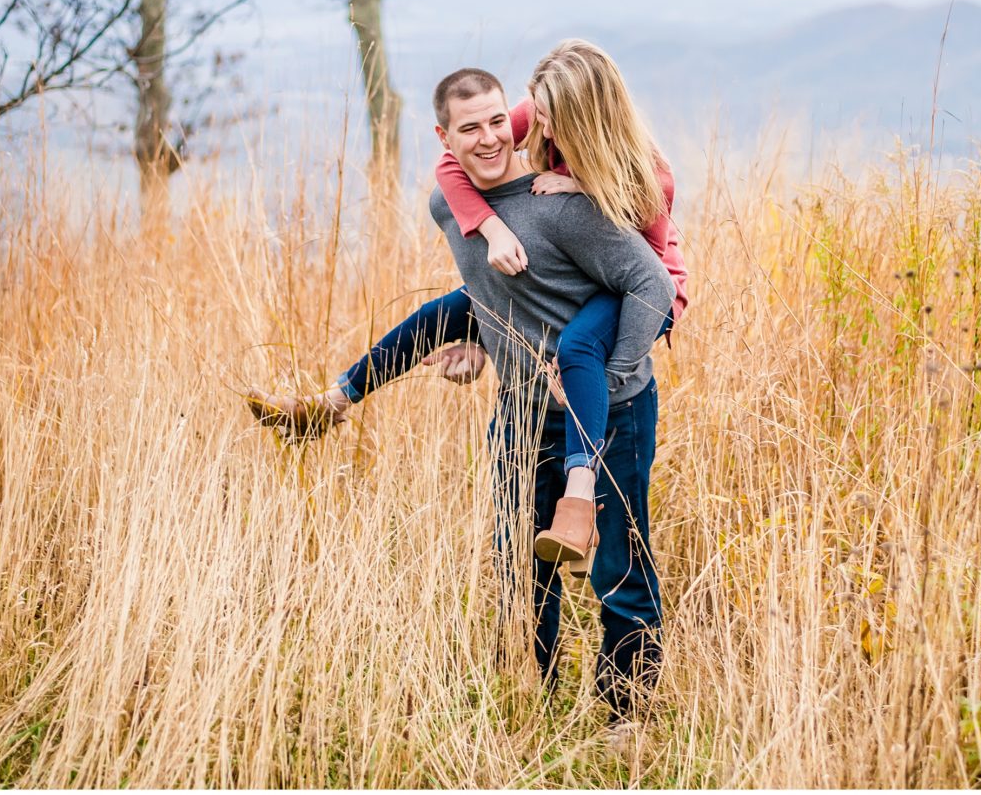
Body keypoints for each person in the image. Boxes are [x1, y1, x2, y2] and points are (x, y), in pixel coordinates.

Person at [252, 67, 676, 726]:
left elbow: (652, 285)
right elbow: (486, 290)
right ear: (443, 137)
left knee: (619, 570)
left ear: (514, 121)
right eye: (468, 128)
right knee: (518, 564)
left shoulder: (568, 207)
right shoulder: (445, 204)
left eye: (493, 124)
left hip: (612, 408)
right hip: (520, 412)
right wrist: (482, 339)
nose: (486, 140)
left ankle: (628, 714)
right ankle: (535, 700)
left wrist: (618, 371)